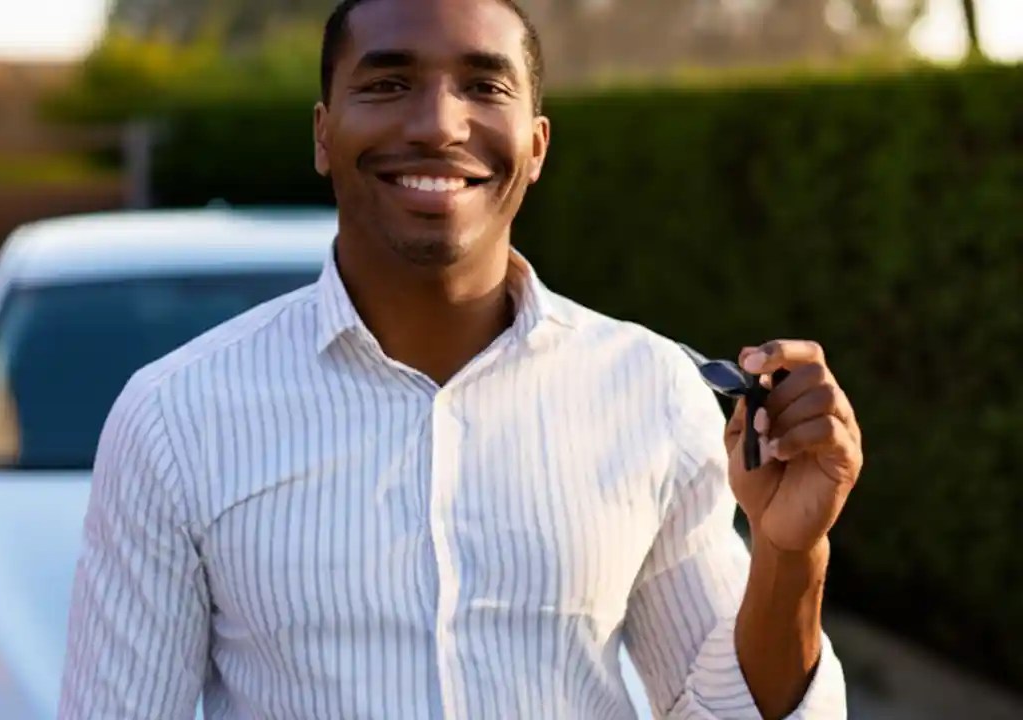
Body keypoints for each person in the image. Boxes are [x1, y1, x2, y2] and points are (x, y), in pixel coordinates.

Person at [57, 0, 862, 717]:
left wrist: (792, 554)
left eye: (485, 86)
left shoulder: (651, 392)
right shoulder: (174, 417)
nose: (439, 124)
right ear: (322, 134)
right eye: (386, 83)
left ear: (537, 144)